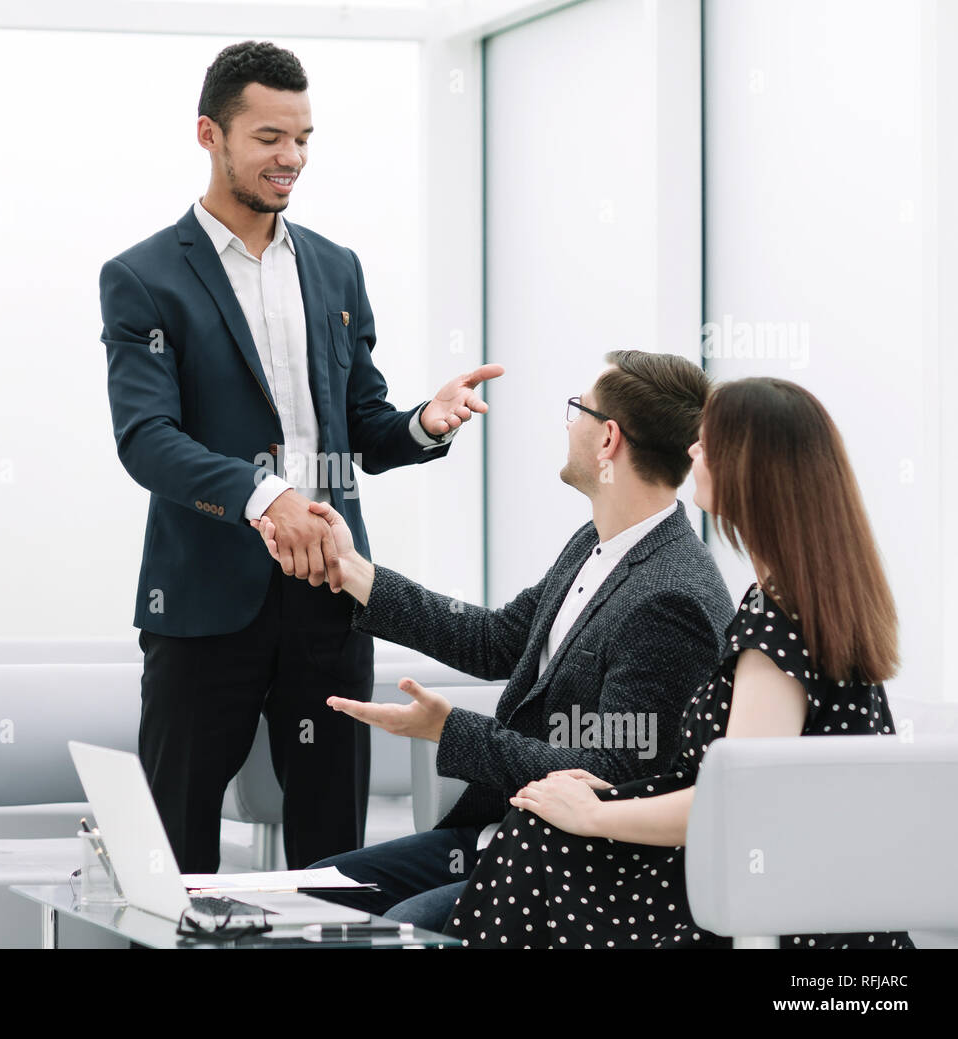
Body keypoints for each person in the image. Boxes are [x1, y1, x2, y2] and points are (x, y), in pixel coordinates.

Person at [100, 40, 503, 873]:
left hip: (331, 597)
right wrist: (264, 495)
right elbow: (148, 440)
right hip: (205, 606)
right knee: (172, 855)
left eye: (305, 138)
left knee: (334, 855)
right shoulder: (142, 278)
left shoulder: (335, 270)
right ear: (210, 135)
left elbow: (363, 428)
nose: (291, 158)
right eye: (270, 138)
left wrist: (426, 421)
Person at [253, 350, 734, 929]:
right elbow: (494, 640)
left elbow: (615, 772)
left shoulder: (670, 597)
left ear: (608, 439)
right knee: (307, 894)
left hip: (584, 867)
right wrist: (356, 572)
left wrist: (450, 730)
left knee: (402, 923)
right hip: (503, 836)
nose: (567, 424)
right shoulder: (595, 543)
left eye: (575, 410)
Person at [442, 376, 914, 948]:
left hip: (782, 908)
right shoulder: (804, 603)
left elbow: (740, 802)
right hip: (769, 877)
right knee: (537, 835)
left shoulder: (777, 625)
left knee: (539, 844)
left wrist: (594, 814)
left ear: (750, 471)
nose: (693, 451)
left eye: (708, 444)